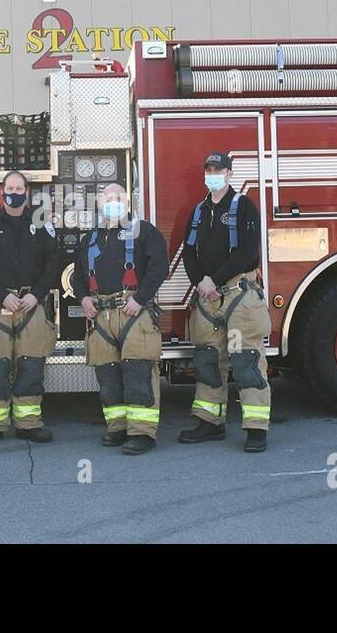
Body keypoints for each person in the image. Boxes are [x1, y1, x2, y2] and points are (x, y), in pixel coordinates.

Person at [177, 152, 272, 453]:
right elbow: (189, 251)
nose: (213, 174)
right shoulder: (198, 211)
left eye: (218, 169)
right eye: (209, 169)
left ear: (230, 174)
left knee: (246, 361)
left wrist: (214, 281)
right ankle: (210, 422)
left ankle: (256, 429)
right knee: (207, 361)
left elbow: (246, 252)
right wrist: (200, 283)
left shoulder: (243, 206)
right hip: (208, 296)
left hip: (238, 295)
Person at [70, 183, 168, 455]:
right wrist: (83, 299)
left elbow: (160, 267)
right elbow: (77, 277)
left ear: (128, 202)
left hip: (133, 312)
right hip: (101, 316)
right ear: (100, 205)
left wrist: (140, 298)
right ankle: (118, 427)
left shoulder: (145, 231)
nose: (113, 202)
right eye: (108, 198)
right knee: (108, 376)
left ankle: (142, 433)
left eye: (119, 197)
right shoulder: (89, 240)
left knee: (138, 373)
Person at [0, 170, 59, 445]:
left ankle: (28, 422)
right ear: (2, 191)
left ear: (27, 192)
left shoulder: (41, 223)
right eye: (10, 187)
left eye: (20, 187)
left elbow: (53, 262)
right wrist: (1, 295)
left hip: (32, 305)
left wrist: (37, 295)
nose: (15, 191)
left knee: (31, 365)